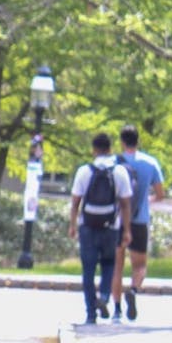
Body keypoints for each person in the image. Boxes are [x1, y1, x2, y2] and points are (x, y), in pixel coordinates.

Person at [67, 133, 133, 326]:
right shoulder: (119, 172)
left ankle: (90, 313)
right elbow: (126, 204)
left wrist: (72, 225)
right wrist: (127, 230)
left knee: (88, 270)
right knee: (108, 264)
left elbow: (75, 203)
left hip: (87, 226)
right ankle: (104, 296)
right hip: (110, 227)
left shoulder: (84, 172)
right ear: (110, 149)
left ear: (94, 150)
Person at [109, 124, 167, 322]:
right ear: (138, 140)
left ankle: (116, 309)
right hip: (140, 220)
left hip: (117, 221)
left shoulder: (114, 163)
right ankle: (133, 290)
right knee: (140, 265)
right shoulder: (150, 163)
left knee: (116, 266)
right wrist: (146, 201)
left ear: (122, 142)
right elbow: (160, 195)